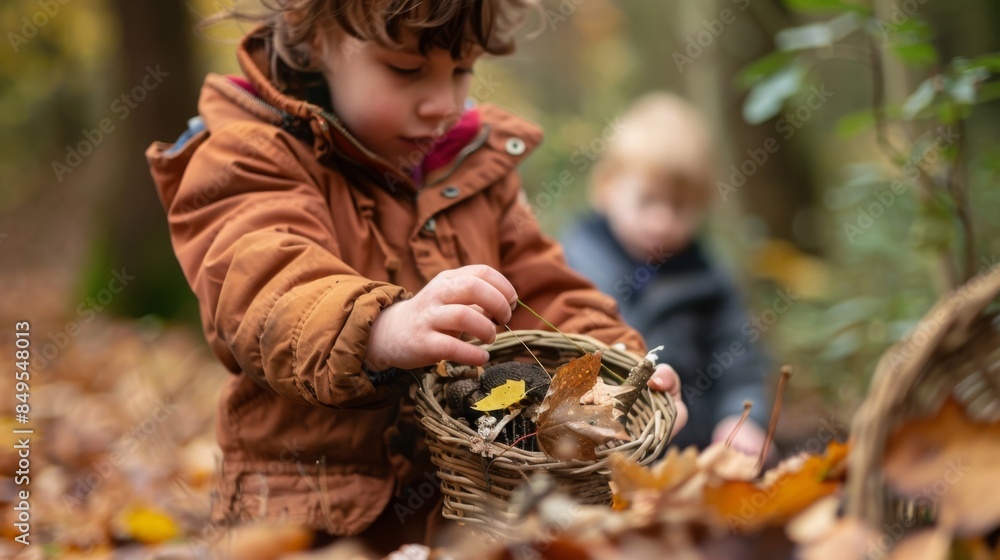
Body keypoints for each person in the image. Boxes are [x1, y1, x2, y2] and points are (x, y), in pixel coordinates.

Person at [146, 1, 687, 554]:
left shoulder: (475, 166)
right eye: (405, 70)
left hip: (472, 518)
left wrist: (616, 369)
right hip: (318, 519)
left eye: (461, 70)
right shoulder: (250, 153)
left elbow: (543, 291)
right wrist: (380, 327)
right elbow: (262, 283)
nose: (443, 104)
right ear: (314, 41)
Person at [562, 92, 770, 454]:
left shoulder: (709, 280)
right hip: (594, 457)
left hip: (691, 456)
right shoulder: (571, 265)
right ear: (607, 188)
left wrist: (742, 420)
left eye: (679, 206)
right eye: (647, 201)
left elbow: (740, 364)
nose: (662, 221)